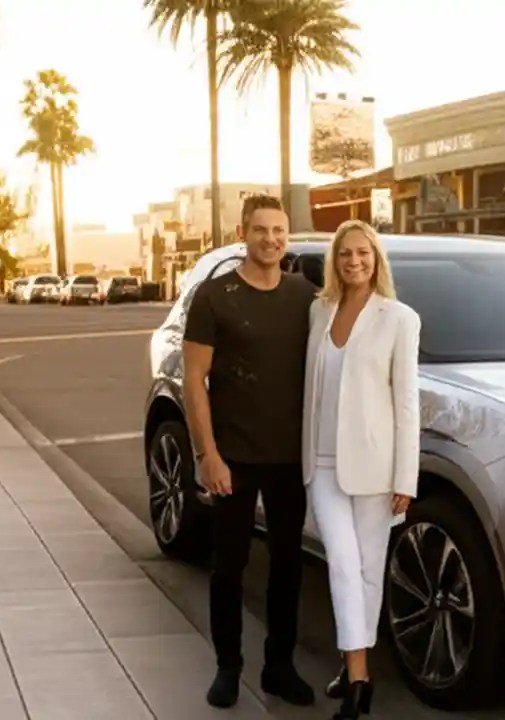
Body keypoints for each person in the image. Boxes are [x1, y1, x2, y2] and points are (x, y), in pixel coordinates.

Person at [182, 194, 317, 709]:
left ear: (287, 235)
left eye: (278, 230)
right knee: (230, 565)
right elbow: (194, 381)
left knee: (287, 565)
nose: (270, 239)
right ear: (243, 234)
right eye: (260, 230)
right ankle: (228, 667)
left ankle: (279, 667)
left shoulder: (305, 296)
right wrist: (208, 455)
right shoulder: (215, 296)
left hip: (290, 458)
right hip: (233, 456)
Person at [302, 219, 421, 719]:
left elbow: (407, 401)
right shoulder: (320, 310)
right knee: (343, 565)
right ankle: (357, 680)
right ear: (335, 260)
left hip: (376, 468)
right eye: (346, 253)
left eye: (363, 253)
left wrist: (406, 477)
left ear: (376, 260)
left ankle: (356, 669)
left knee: (369, 571)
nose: (354, 261)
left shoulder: (399, 319)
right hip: (322, 464)